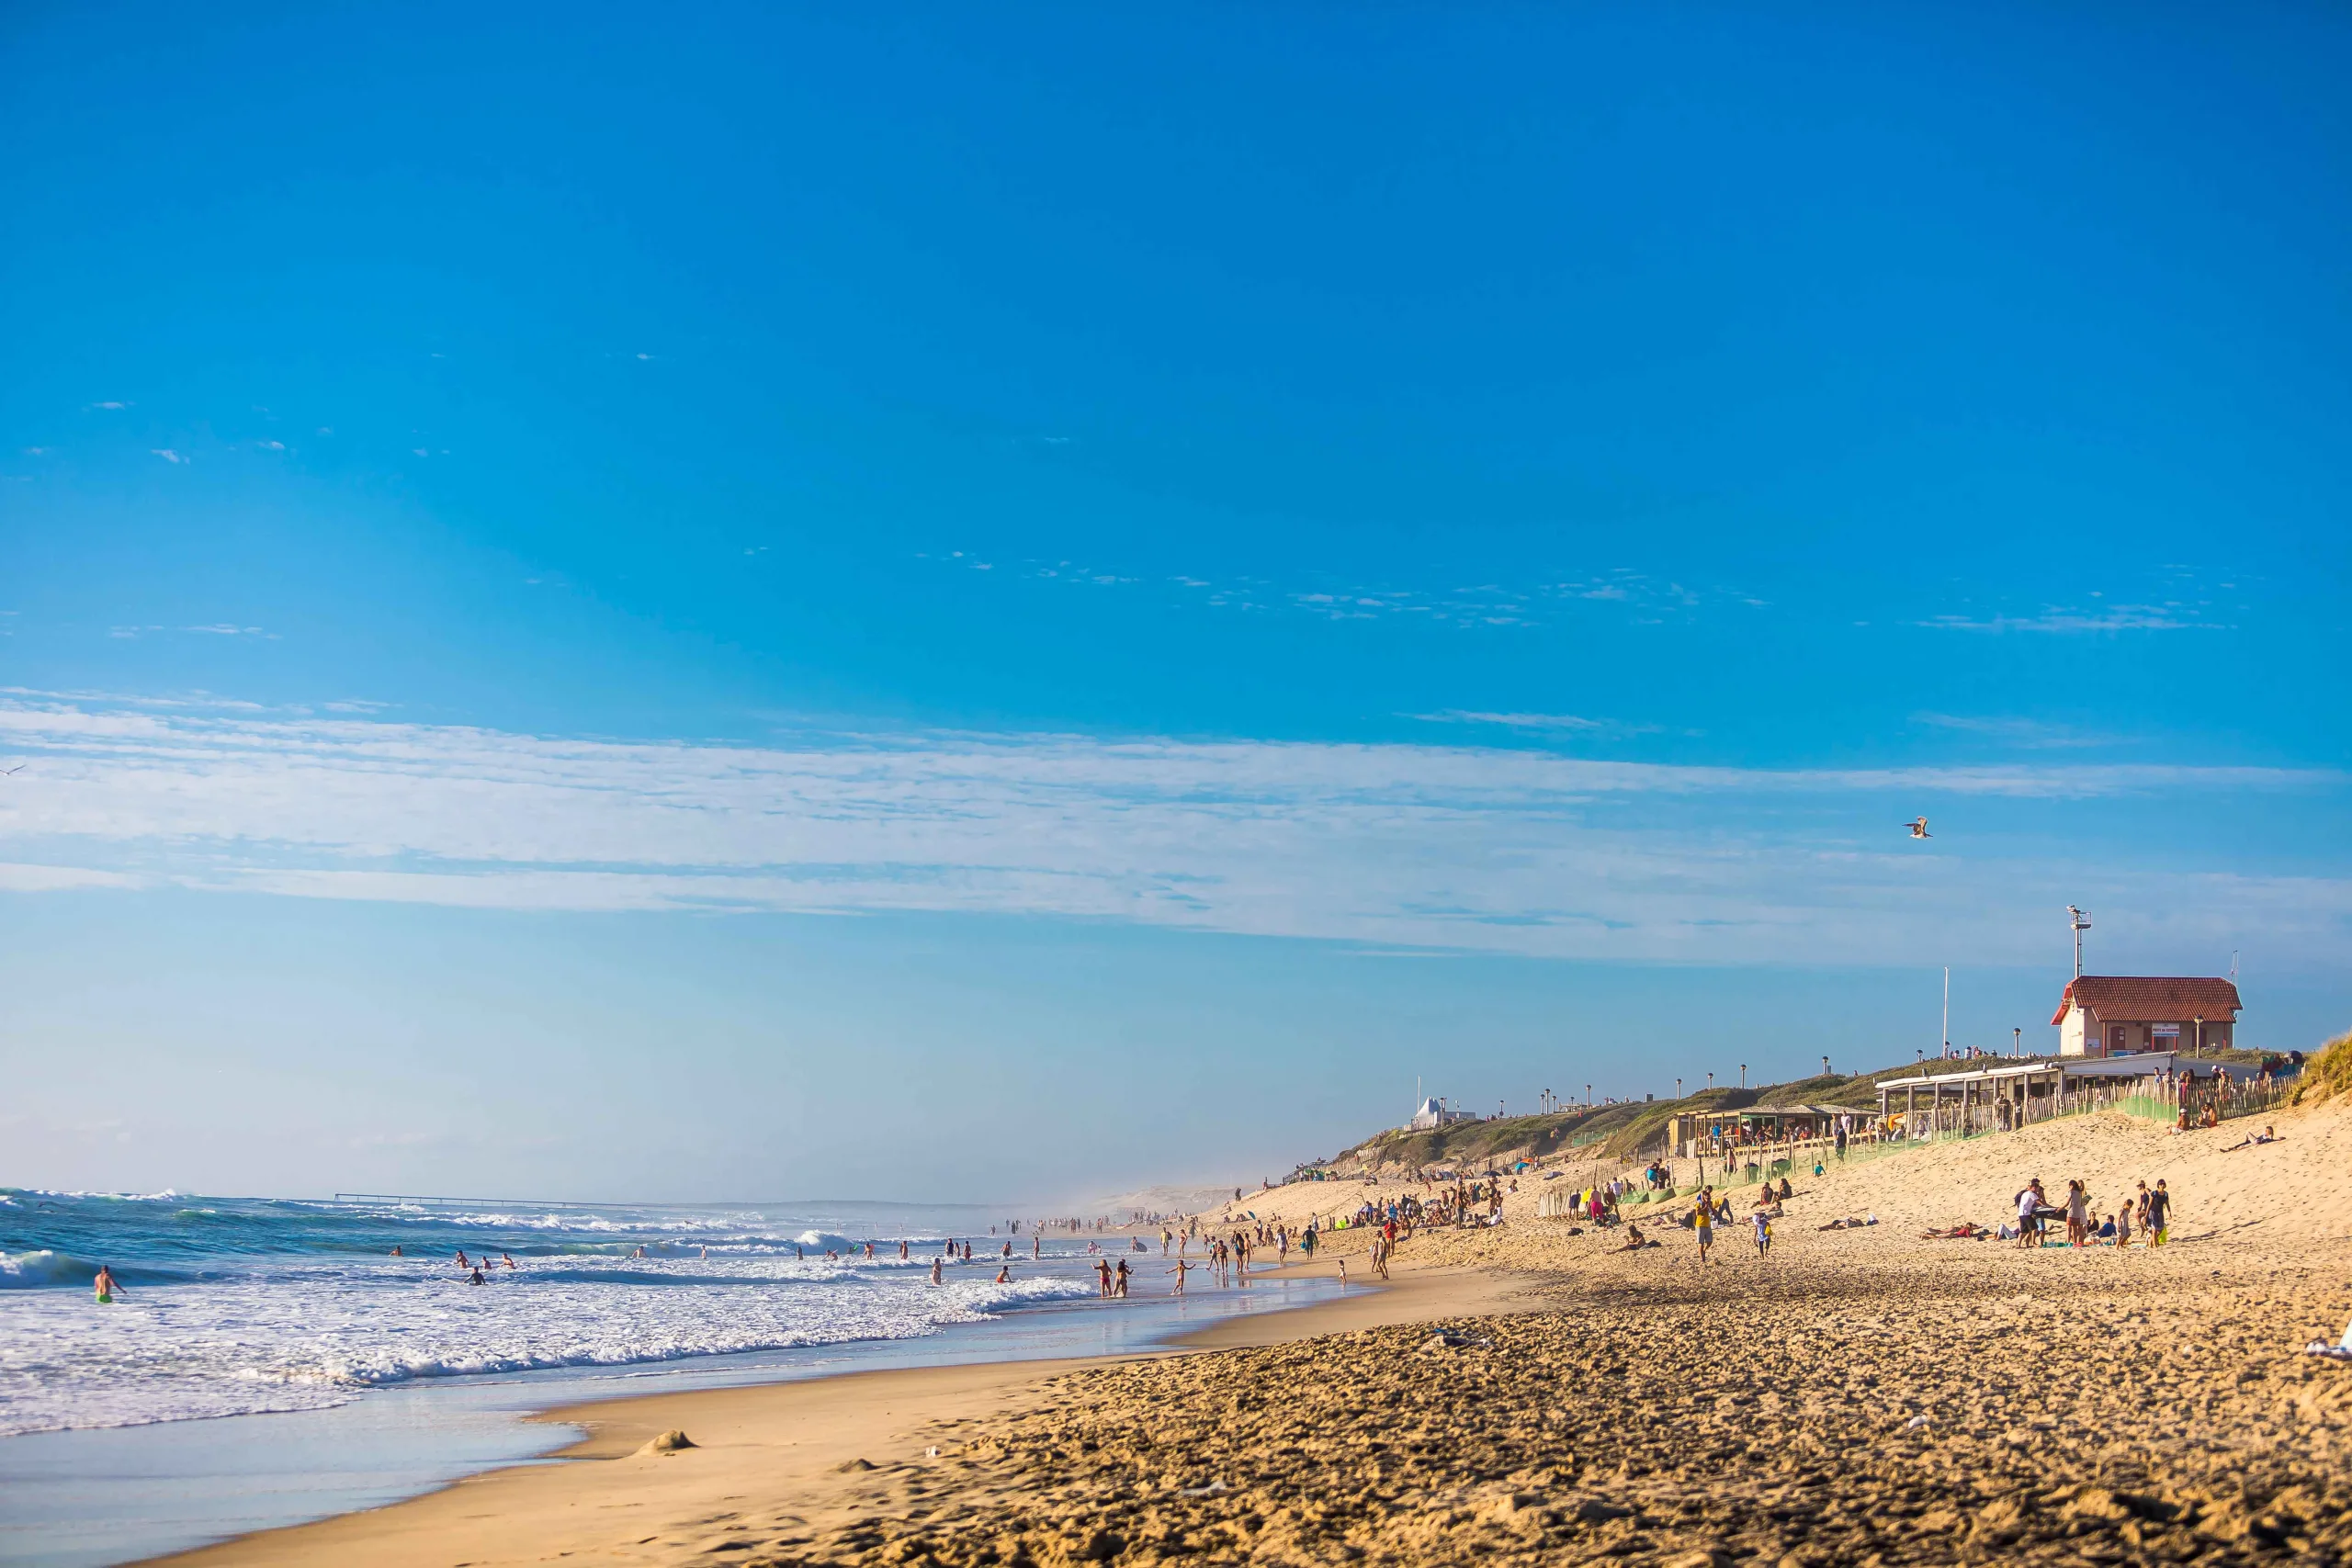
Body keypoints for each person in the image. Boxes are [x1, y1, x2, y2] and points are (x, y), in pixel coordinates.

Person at [2146, 1179, 2171, 1246]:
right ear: (2158, 1185)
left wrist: (2169, 1213)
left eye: (2163, 1184)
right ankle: (2155, 1246)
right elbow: (2149, 1204)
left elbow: (2167, 1204)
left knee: (2160, 1229)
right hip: (2153, 1212)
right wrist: (2146, 1215)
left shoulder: (2166, 1194)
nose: (2162, 1185)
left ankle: (2151, 1240)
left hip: (2160, 1213)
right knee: (2154, 1229)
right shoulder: (2154, 1193)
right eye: (2161, 1184)